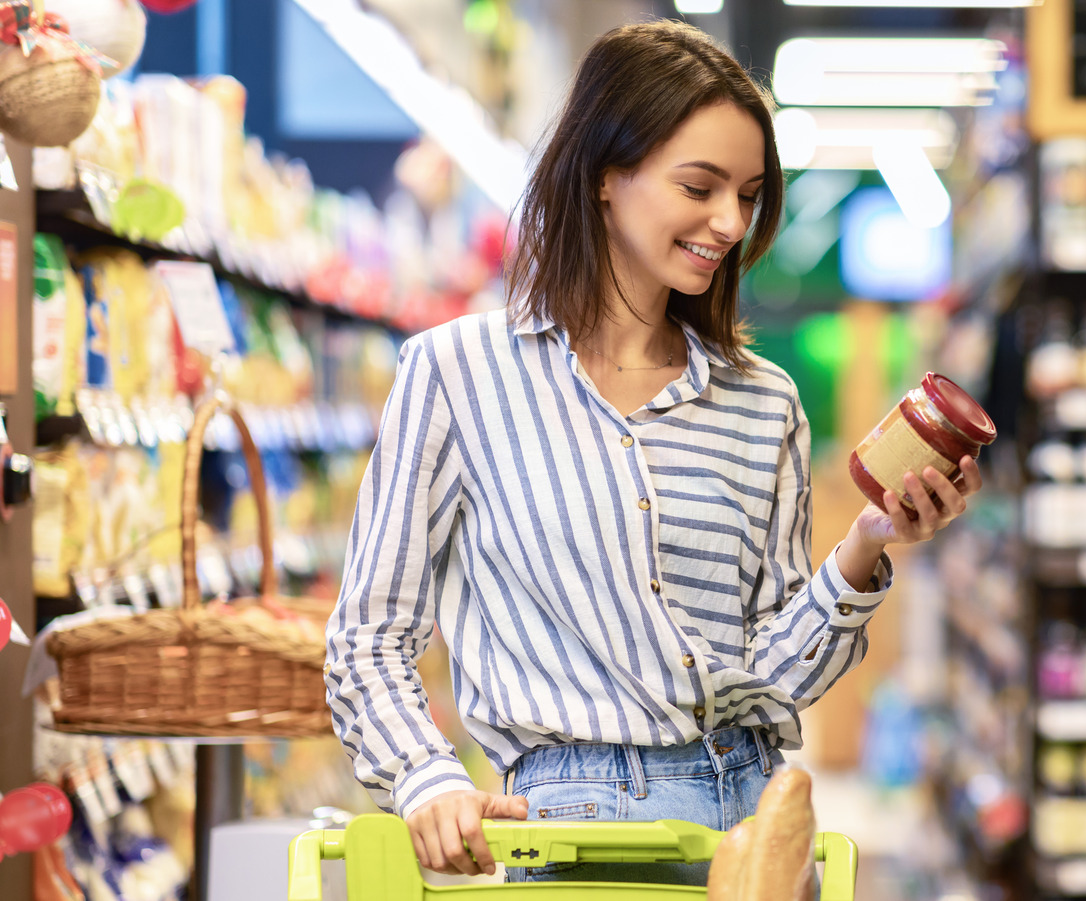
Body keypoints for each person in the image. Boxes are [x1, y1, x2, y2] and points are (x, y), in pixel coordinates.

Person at [324, 18, 983, 885]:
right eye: (700, 186)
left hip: (754, 826)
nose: (730, 221)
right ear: (606, 173)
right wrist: (425, 776)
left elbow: (775, 677)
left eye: (748, 194)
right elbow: (368, 636)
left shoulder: (765, 403)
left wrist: (868, 542)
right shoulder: (457, 373)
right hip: (574, 835)